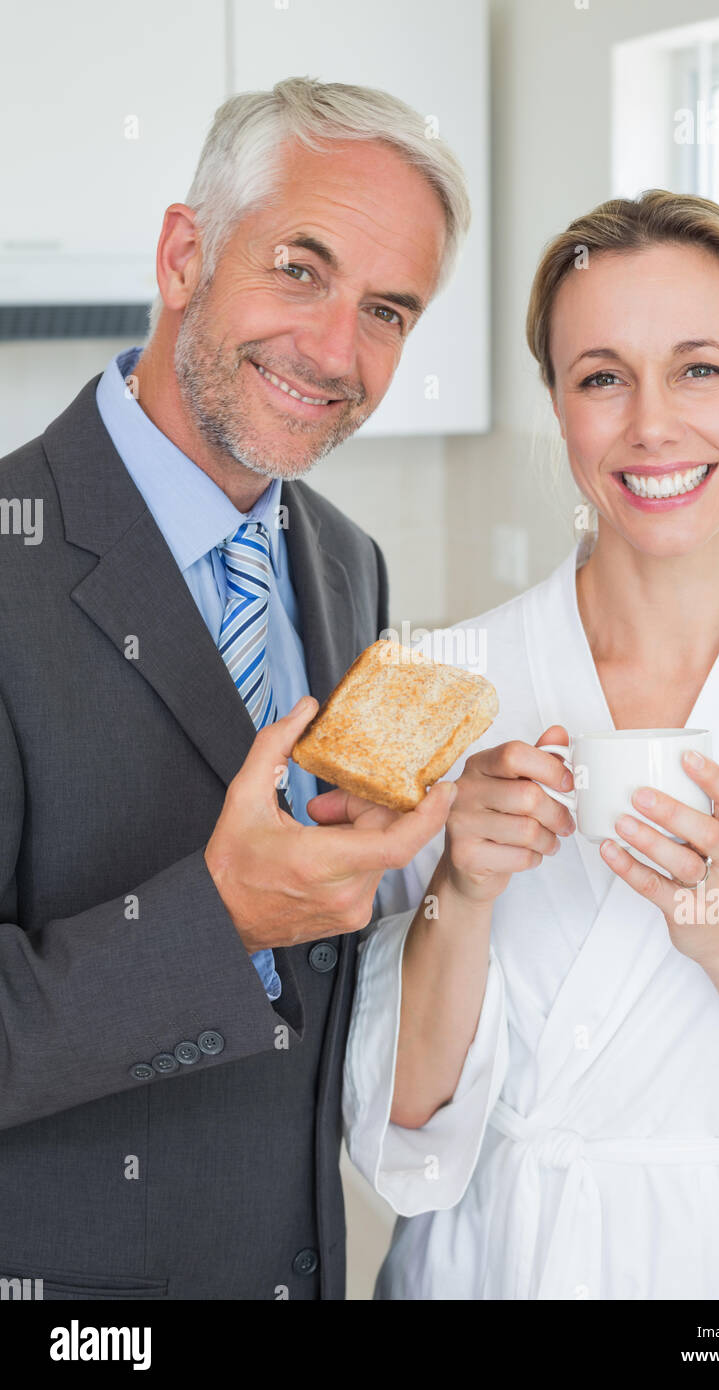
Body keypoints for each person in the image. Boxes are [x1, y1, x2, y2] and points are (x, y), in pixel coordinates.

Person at [342, 190, 719, 1300]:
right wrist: (462, 887)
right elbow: (394, 1119)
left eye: (699, 369)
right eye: (599, 377)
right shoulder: (427, 686)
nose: (650, 425)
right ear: (557, 406)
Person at [0, 76, 467, 1300]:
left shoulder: (343, 563)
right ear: (183, 254)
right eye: (300, 270)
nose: (333, 351)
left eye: (386, 309)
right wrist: (219, 919)